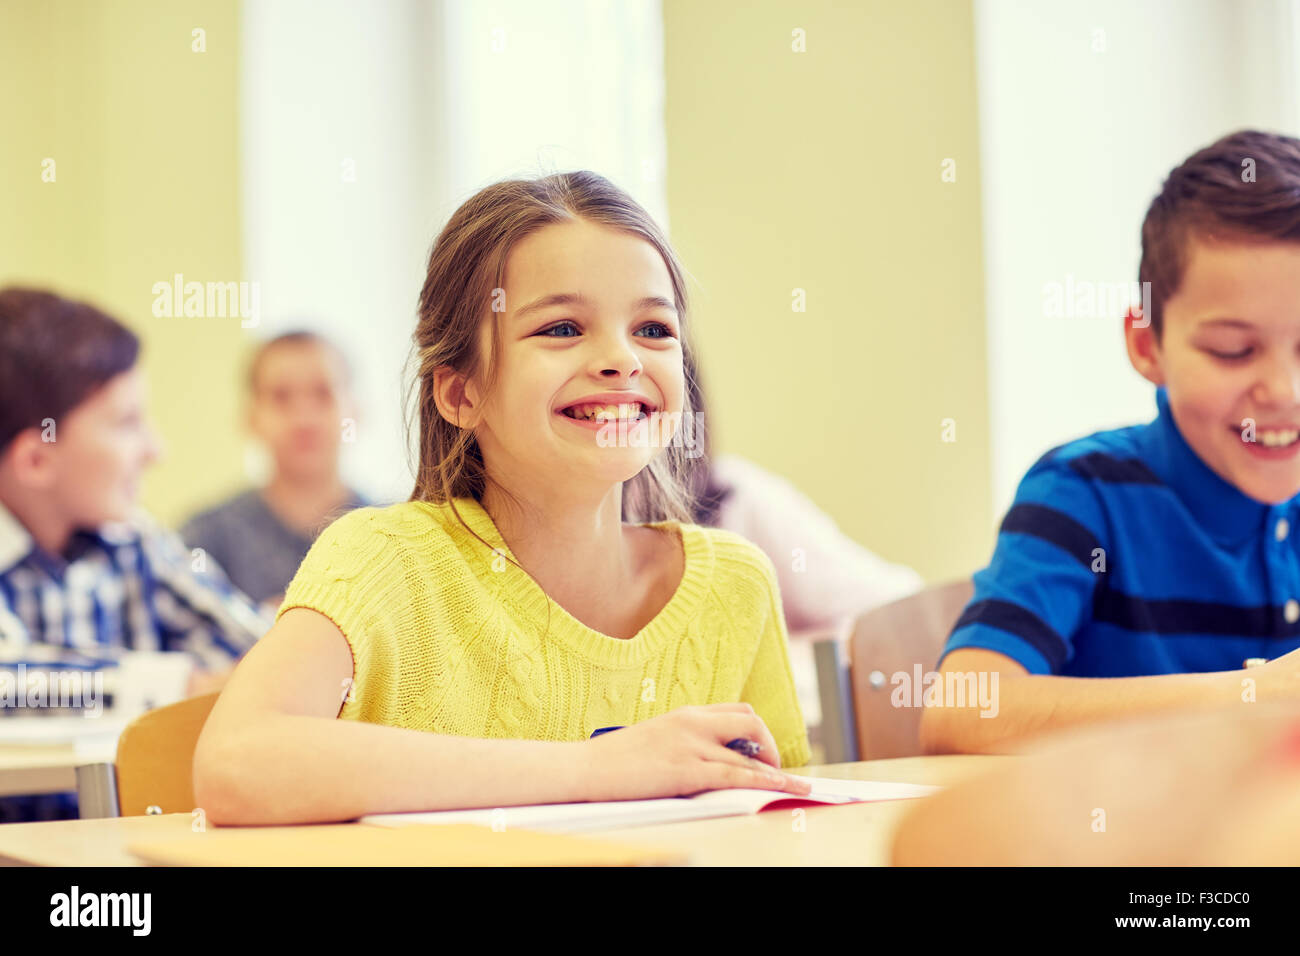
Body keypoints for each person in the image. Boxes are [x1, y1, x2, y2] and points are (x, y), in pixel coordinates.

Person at [194, 171, 813, 825]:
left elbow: (784, 829)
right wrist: (604, 770)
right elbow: (236, 762)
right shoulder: (382, 561)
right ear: (461, 393)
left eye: (654, 330)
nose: (622, 358)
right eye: (562, 328)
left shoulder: (736, 584)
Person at [925, 130, 1300, 754]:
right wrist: (1253, 699)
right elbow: (963, 713)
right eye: (1234, 351)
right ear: (1147, 345)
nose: (1284, 391)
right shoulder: (1082, 492)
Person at [0, 287, 269, 820]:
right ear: (35, 460)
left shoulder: (133, 539)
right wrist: (182, 684)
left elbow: (256, 655)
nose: (155, 450)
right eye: (127, 423)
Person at [180, 331, 367, 610]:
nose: (304, 417)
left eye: (323, 393)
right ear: (251, 417)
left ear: (354, 411)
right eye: (281, 397)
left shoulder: (395, 536)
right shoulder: (203, 540)